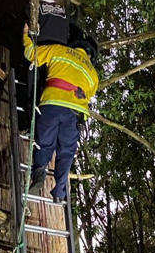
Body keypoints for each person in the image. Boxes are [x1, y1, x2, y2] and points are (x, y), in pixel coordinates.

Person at [23, 22, 100, 202]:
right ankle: (59, 191)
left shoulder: (59, 50)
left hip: (52, 102)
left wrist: (25, 35)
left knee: (45, 142)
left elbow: (30, 54)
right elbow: (88, 95)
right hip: (76, 114)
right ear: (89, 55)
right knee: (66, 151)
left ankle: (39, 173)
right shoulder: (93, 75)